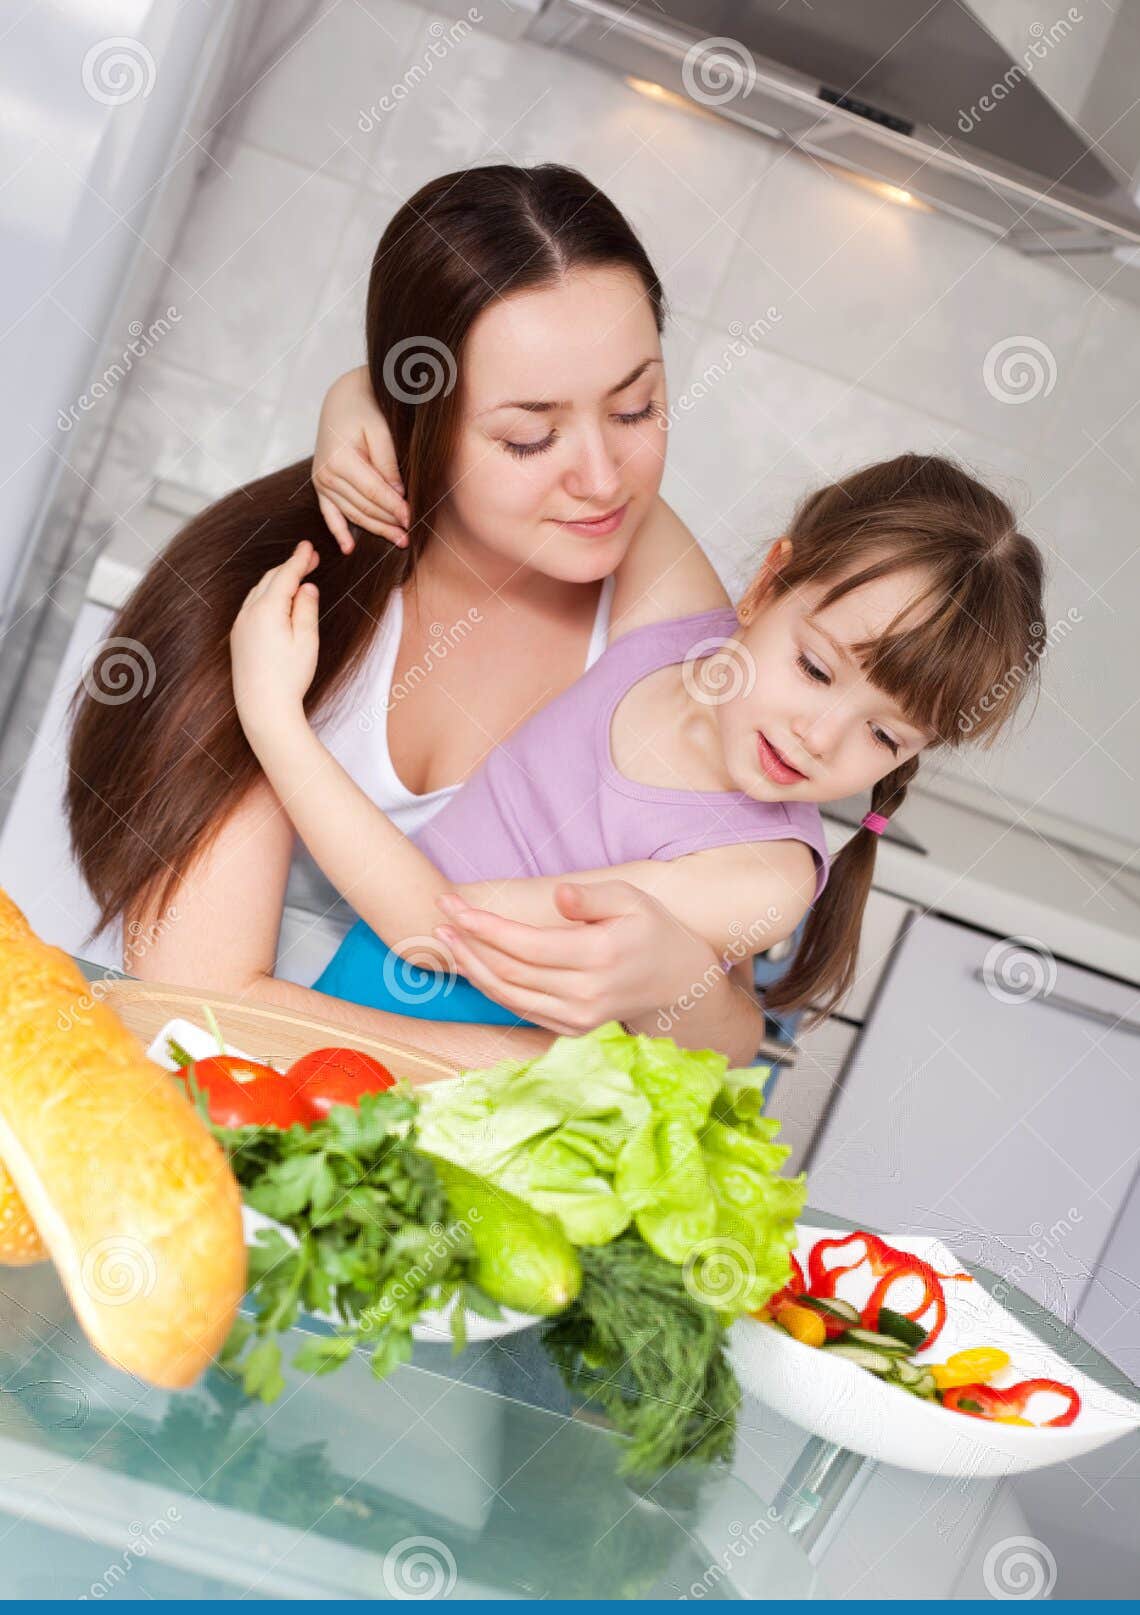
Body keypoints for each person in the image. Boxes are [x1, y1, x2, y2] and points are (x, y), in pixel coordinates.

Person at [66, 162, 771, 1068]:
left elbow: (726, 1038)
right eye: (529, 436)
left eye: (637, 407)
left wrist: (680, 980)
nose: (603, 480)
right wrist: (544, 1068)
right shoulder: (264, 597)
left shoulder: (671, 627)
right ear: (419, 415)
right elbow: (200, 1008)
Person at [229, 454, 1047, 1032]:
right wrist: (360, 397)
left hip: (474, 1095)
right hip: (348, 1002)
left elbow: (436, 931)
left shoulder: (765, 874)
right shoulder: (675, 622)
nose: (819, 736)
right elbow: (602, 466)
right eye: (815, 667)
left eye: (883, 733)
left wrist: (274, 720)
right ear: (767, 584)